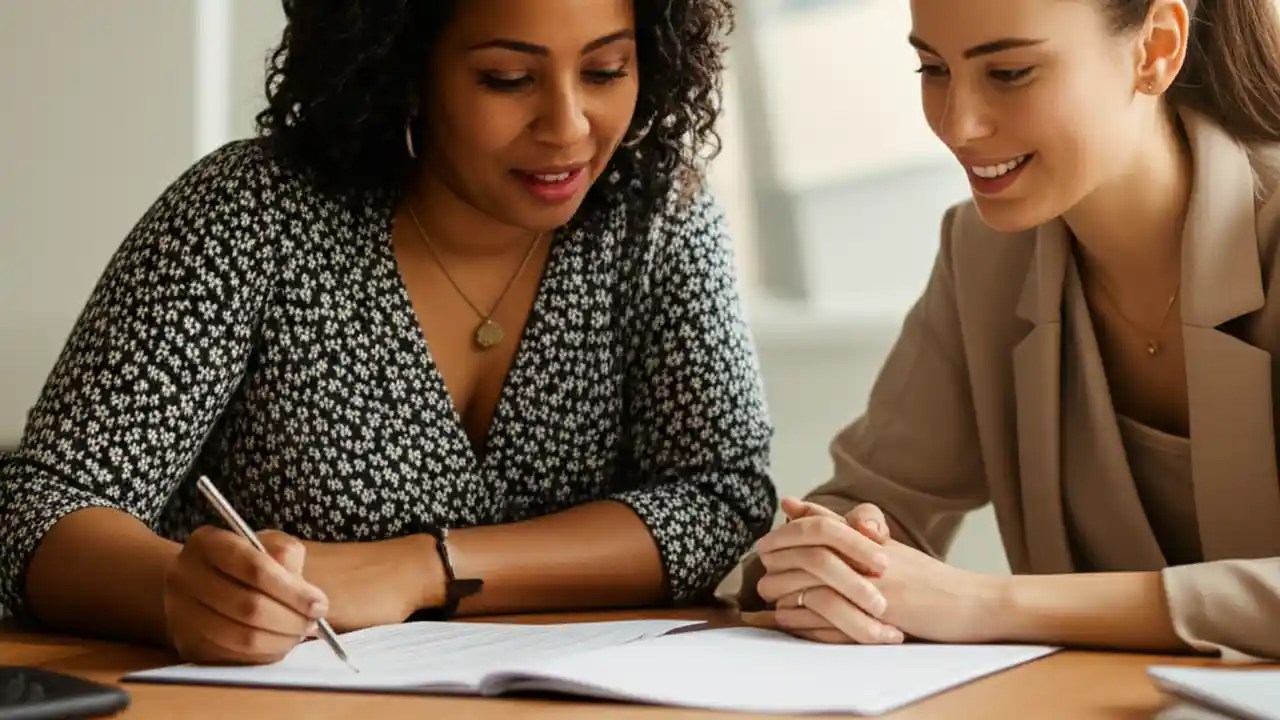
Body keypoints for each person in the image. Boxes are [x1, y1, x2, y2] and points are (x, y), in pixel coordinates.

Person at [0, 0, 776, 665]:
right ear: (404, 69)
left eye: (606, 71)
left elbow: (721, 496)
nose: (568, 125)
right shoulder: (250, 215)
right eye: (508, 79)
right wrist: (173, 592)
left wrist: (423, 569)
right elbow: (39, 507)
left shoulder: (654, 218)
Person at [734, 0, 1280, 661]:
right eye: (932, 69)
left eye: (1011, 72)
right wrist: (827, 562)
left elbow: (959, 601)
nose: (957, 124)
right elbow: (874, 504)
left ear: (1155, 49)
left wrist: (983, 604)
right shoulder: (984, 256)